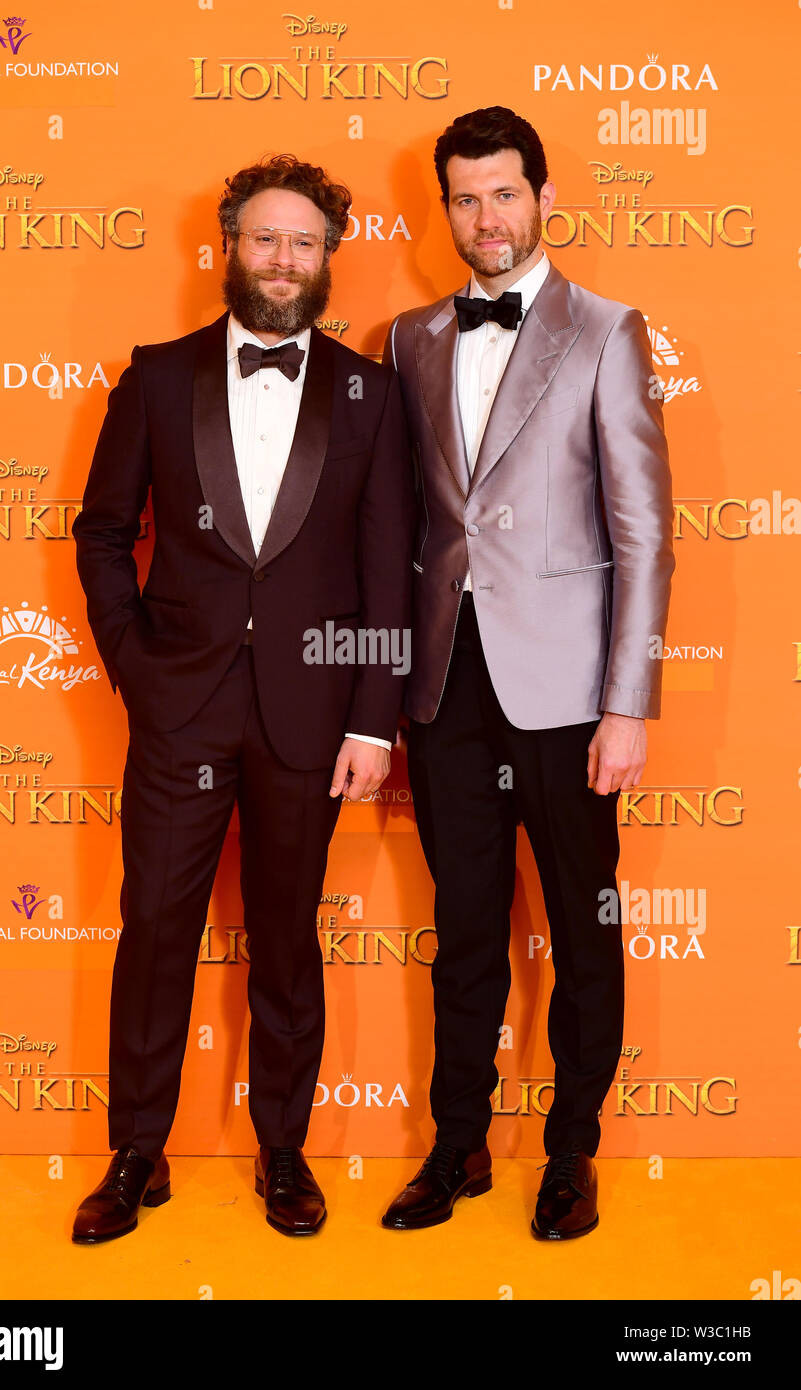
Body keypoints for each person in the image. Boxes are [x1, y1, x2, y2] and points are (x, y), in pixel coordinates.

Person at [70, 153, 414, 1242]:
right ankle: (136, 1152)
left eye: (302, 242)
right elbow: (104, 534)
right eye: (263, 238)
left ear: (326, 258)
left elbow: (387, 563)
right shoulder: (159, 377)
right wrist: (134, 660)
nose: (281, 259)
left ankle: (283, 1152)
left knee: (285, 936)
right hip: (179, 704)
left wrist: (370, 717)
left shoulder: (372, 393)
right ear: (227, 247)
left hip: (311, 717)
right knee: (156, 927)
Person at [381, 107, 674, 1238]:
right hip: (446, 683)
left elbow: (643, 531)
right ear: (443, 207)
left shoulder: (604, 329)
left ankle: (570, 1153)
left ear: (542, 197)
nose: (484, 217)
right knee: (463, 929)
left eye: (504, 193)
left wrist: (626, 704)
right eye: (464, 197)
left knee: (580, 926)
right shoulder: (408, 337)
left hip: (566, 694)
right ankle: (456, 1148)